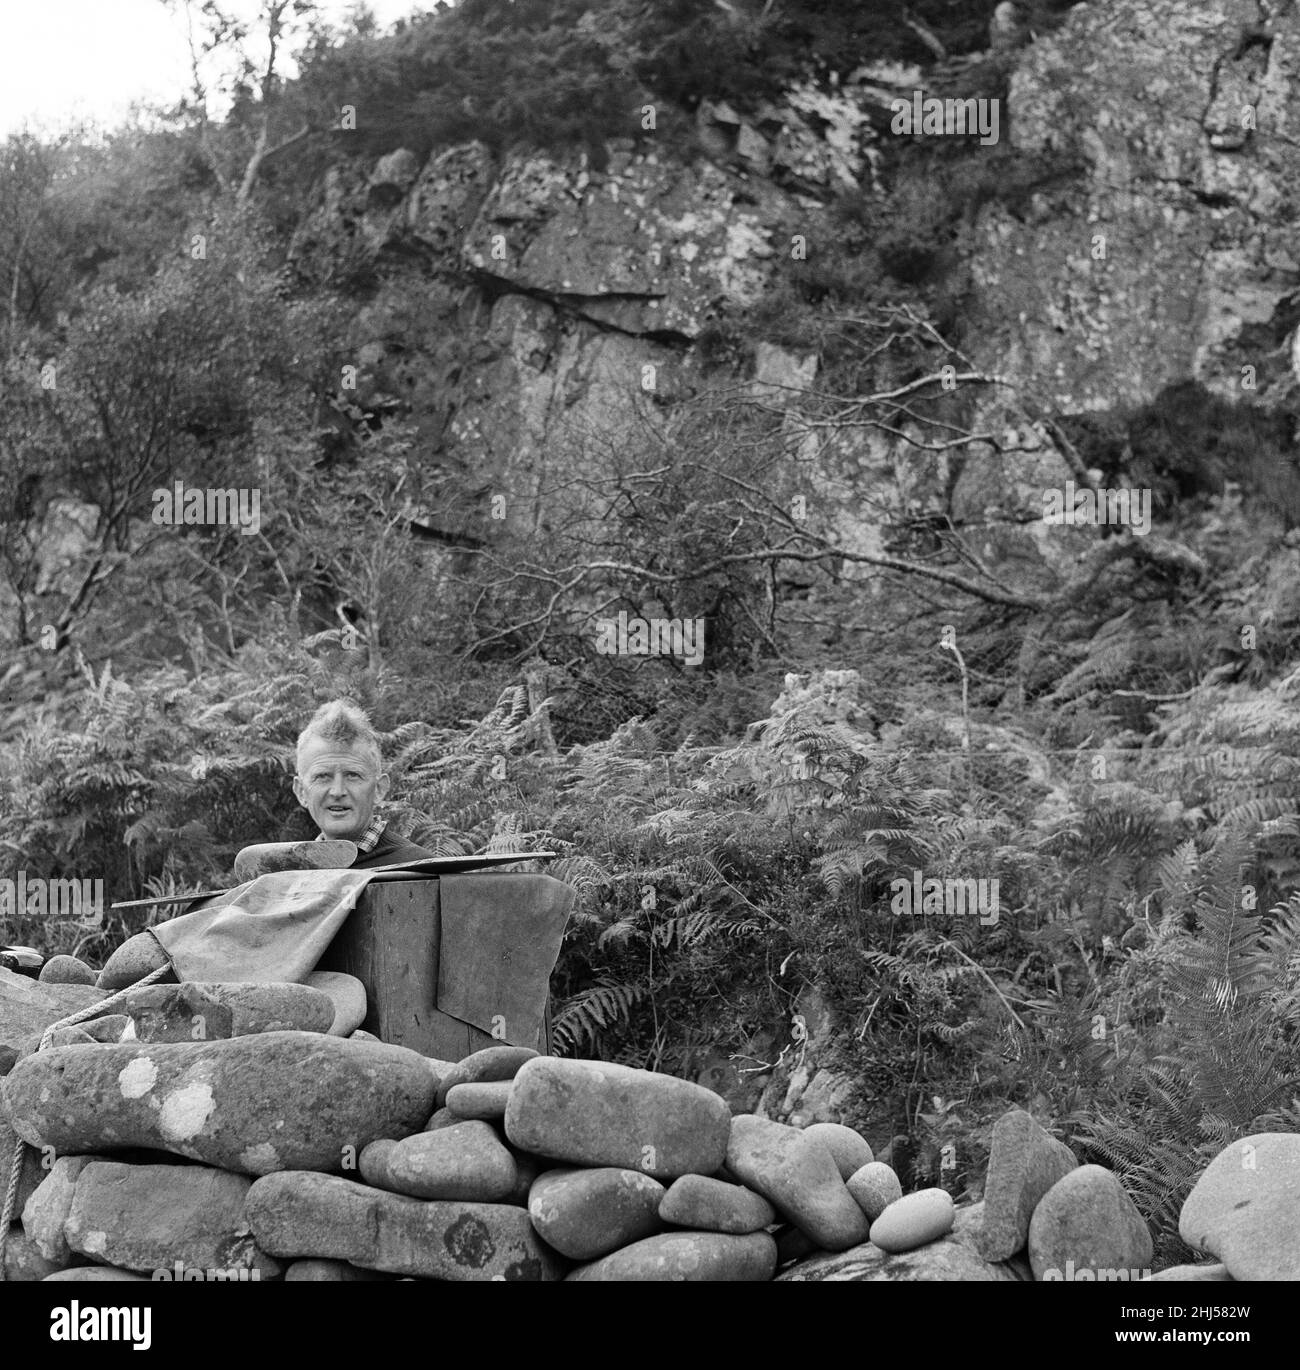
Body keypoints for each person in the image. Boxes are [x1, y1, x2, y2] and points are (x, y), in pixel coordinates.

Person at [293, 700, 435, 868]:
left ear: (379, 789)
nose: (337, 792)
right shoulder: (287, 872)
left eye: (352, 775)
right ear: (301, 792)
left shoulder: (425, 870)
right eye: (323, 776)